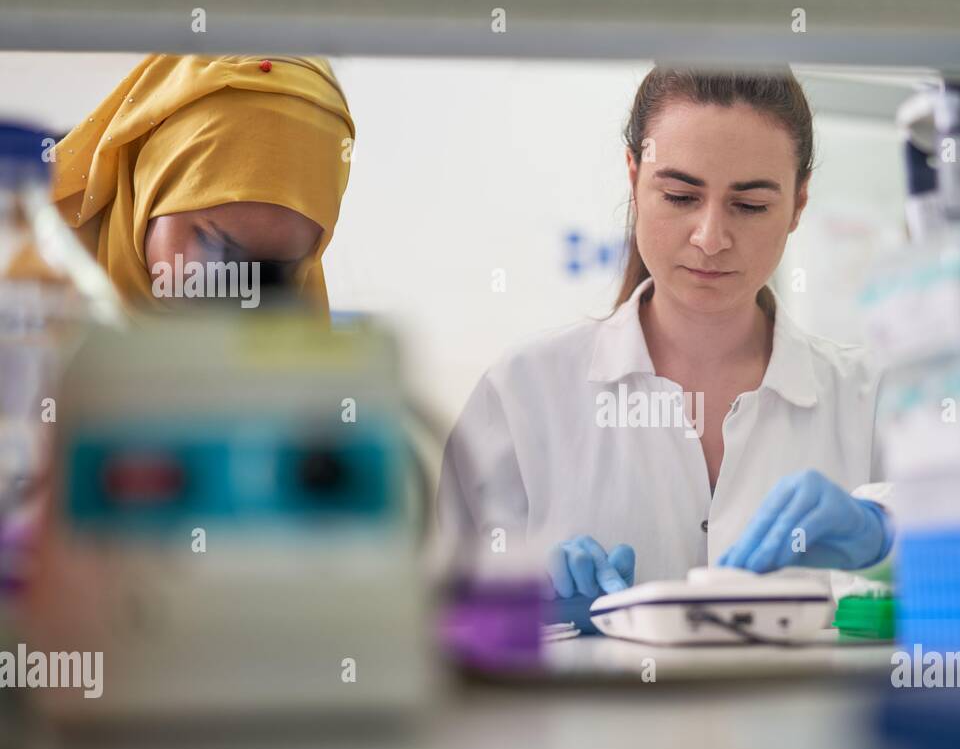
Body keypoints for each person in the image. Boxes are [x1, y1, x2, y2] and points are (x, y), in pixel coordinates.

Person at [437, 66, 893, 599]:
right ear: (634, 178)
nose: (711, 237)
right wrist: (522, 608)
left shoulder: (870, 400)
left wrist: (887, 540)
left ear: (798, 205)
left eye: (750, 206)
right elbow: (437, 616)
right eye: (680, 195)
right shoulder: (521, 394)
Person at [50, 54, 354, 313]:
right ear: (150, 183)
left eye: (281, 268)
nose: (241, 292)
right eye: (215, 243)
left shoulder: (305, 360)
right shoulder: (34, 295)